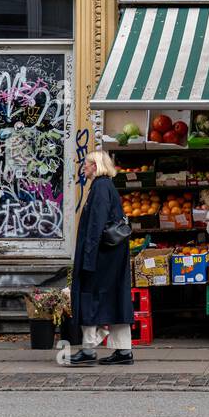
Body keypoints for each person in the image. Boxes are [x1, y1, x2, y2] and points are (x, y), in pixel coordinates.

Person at [66, 150, 134, 366]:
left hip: (101, 255)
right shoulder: (104, 186)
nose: (83, 168)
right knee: (114, 297)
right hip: (110, 254)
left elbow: (96, 224)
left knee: (89, 295)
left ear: (95, 166)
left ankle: (89, 347)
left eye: (86, 164)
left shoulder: (100, 187)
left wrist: (88, 257)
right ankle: (123, 351)